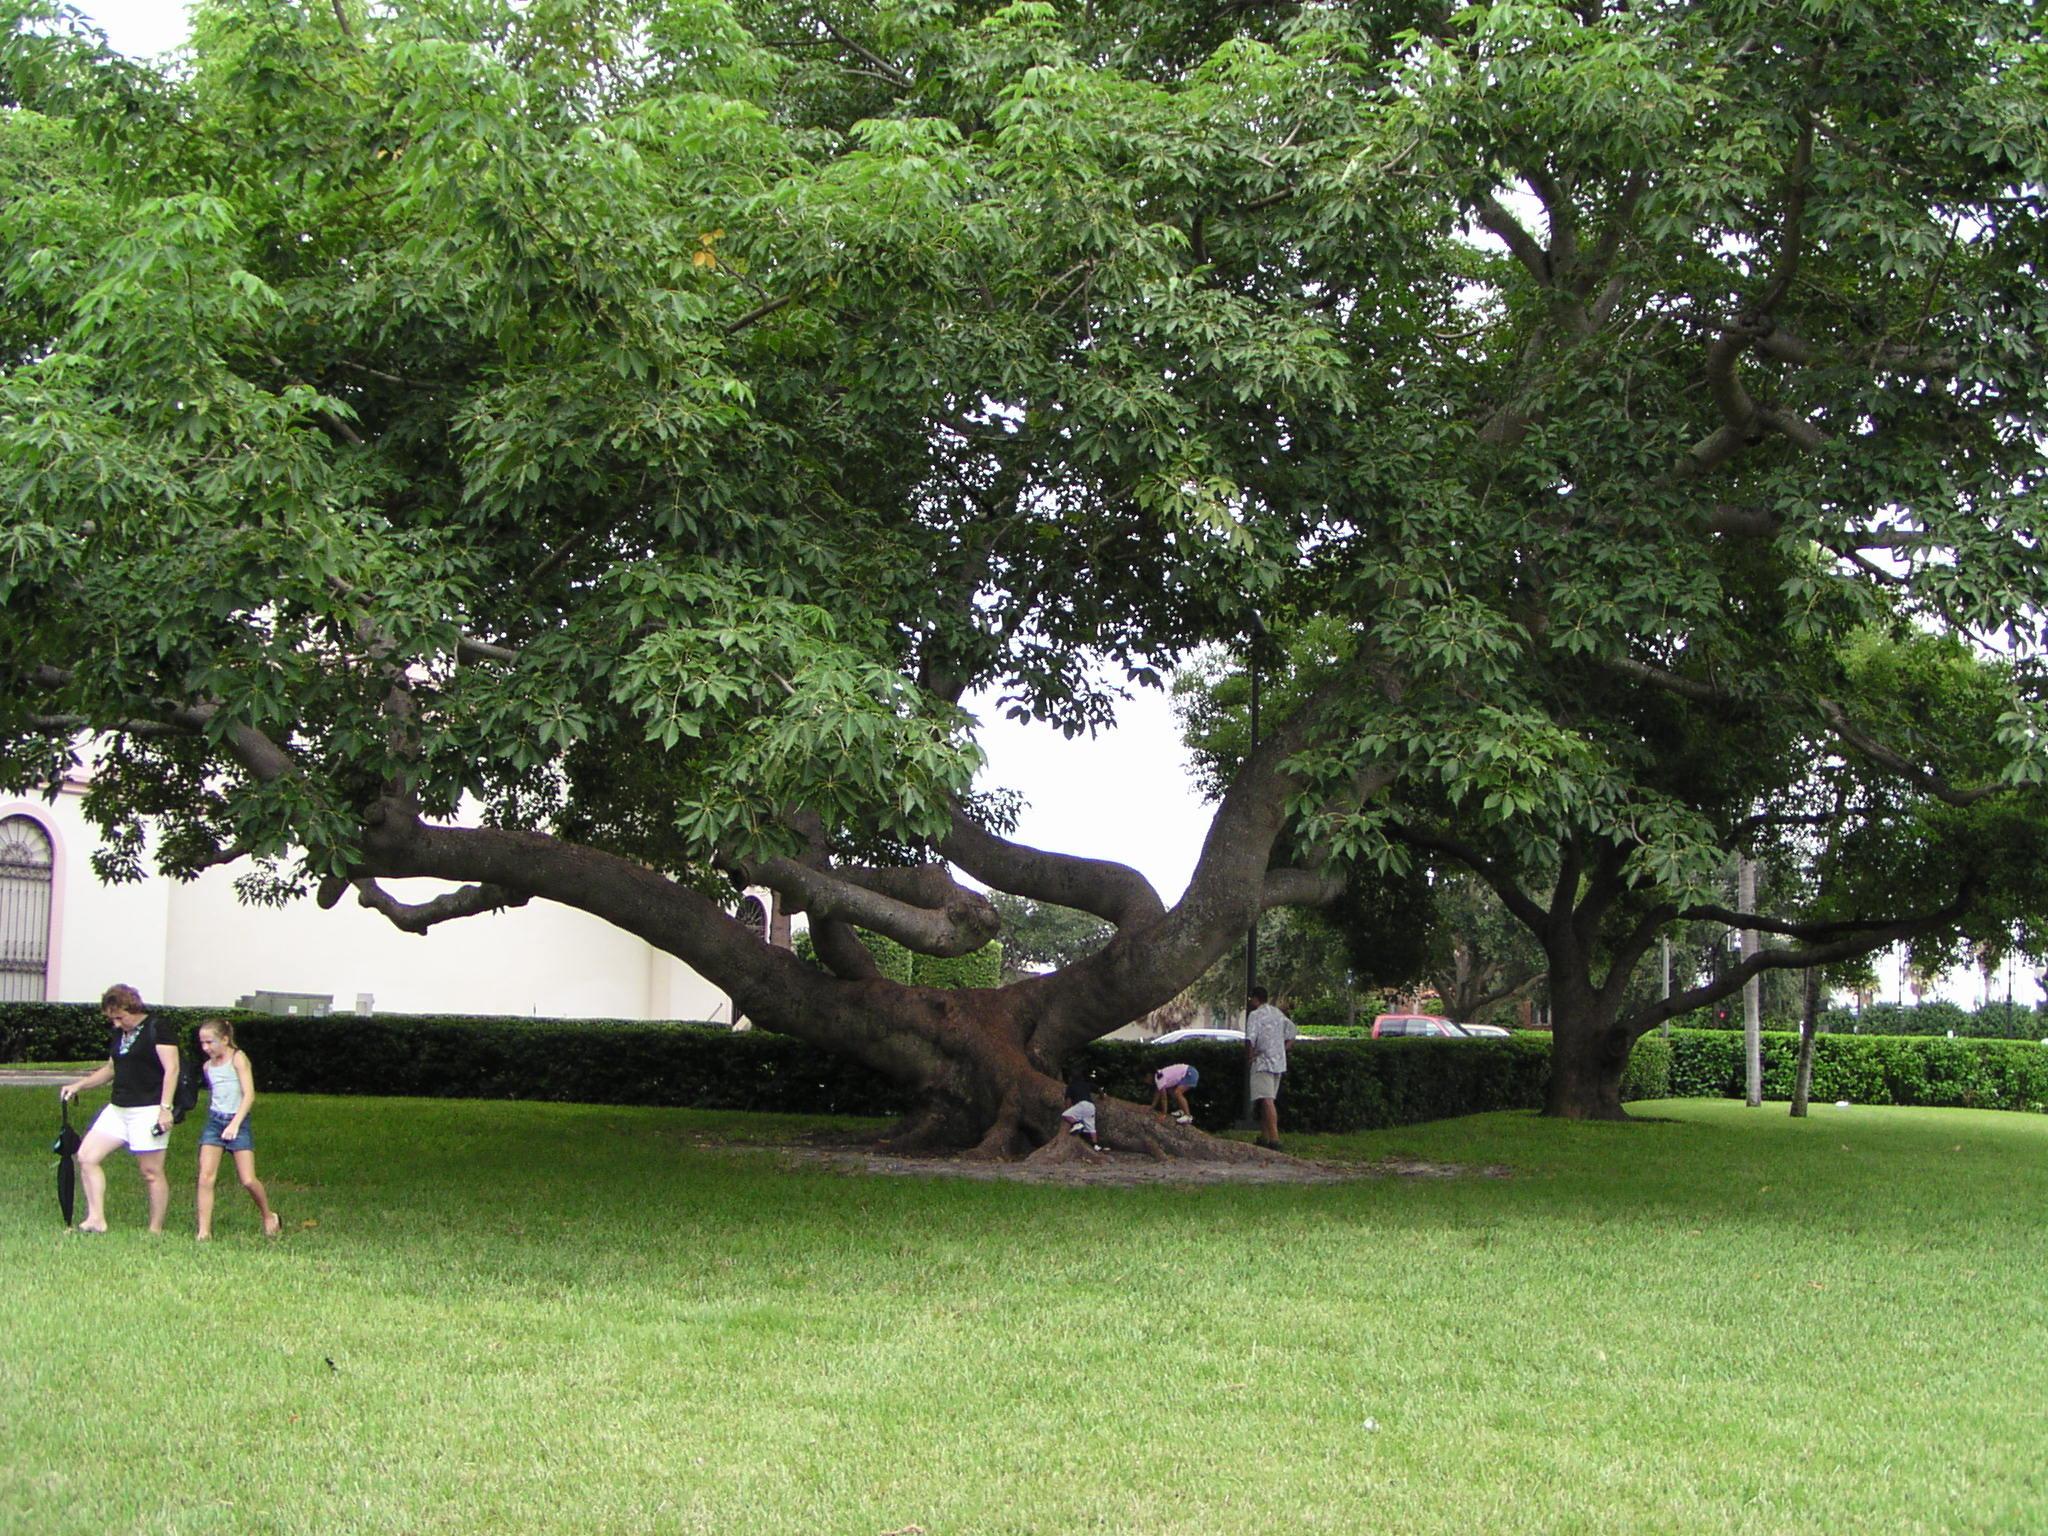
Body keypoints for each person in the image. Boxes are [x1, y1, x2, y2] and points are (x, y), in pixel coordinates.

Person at [58, 983, 179, 1233]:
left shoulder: (158, 1028)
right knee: (87, 1156)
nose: (115, 1024)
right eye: (112, 1019)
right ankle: (96, 1219)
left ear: (131, 1007)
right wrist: (80, 1085)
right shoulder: (120, 1034)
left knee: (151, 1171)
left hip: (148, 1108)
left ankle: (155, 1229)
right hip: (118, 1108)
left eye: (119, 1017)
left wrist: (165, 1108)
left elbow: (172, 1069)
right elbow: (111, 1069)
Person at [193, 1019, 282, 1240]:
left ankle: (268, 1215)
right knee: (205, 1177)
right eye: (202, 1043)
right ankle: (204, 1231)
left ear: (225, 1039)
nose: (205, 1048)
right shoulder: (208, 1067)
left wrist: (234, 1124)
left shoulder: (238, 1058)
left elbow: (249, 1094)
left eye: (210, 1042)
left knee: (248, 1179)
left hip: (238, 1123)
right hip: (215, 1123)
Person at [1244, 987, 1298, 1150]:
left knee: (1267, 1100)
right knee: (1267, 1099)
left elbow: (1250, 1039)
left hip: (1262, 1062)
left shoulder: (1255, 1015)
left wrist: (1250, 1057)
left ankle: (1275, 1138)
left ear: (1255, 999)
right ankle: (1264, 1136)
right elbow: (1292, 1032)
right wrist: (1282, 1049)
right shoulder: (1277, 1013)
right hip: (1278, 1062)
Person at [1060, 1069, 1105, 1153]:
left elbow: (1068, 1100)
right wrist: (1102, 1096)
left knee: (1065, 1115)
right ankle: (1096, 1145)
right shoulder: (1086, 1084)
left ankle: (1077, 1124)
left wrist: (1069, 1109)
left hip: (1081, 1105)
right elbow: (1099, 1089)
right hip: (1090, 1106)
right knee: (1091, 1127)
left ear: (1071, 1077)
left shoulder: (1071, 1086)